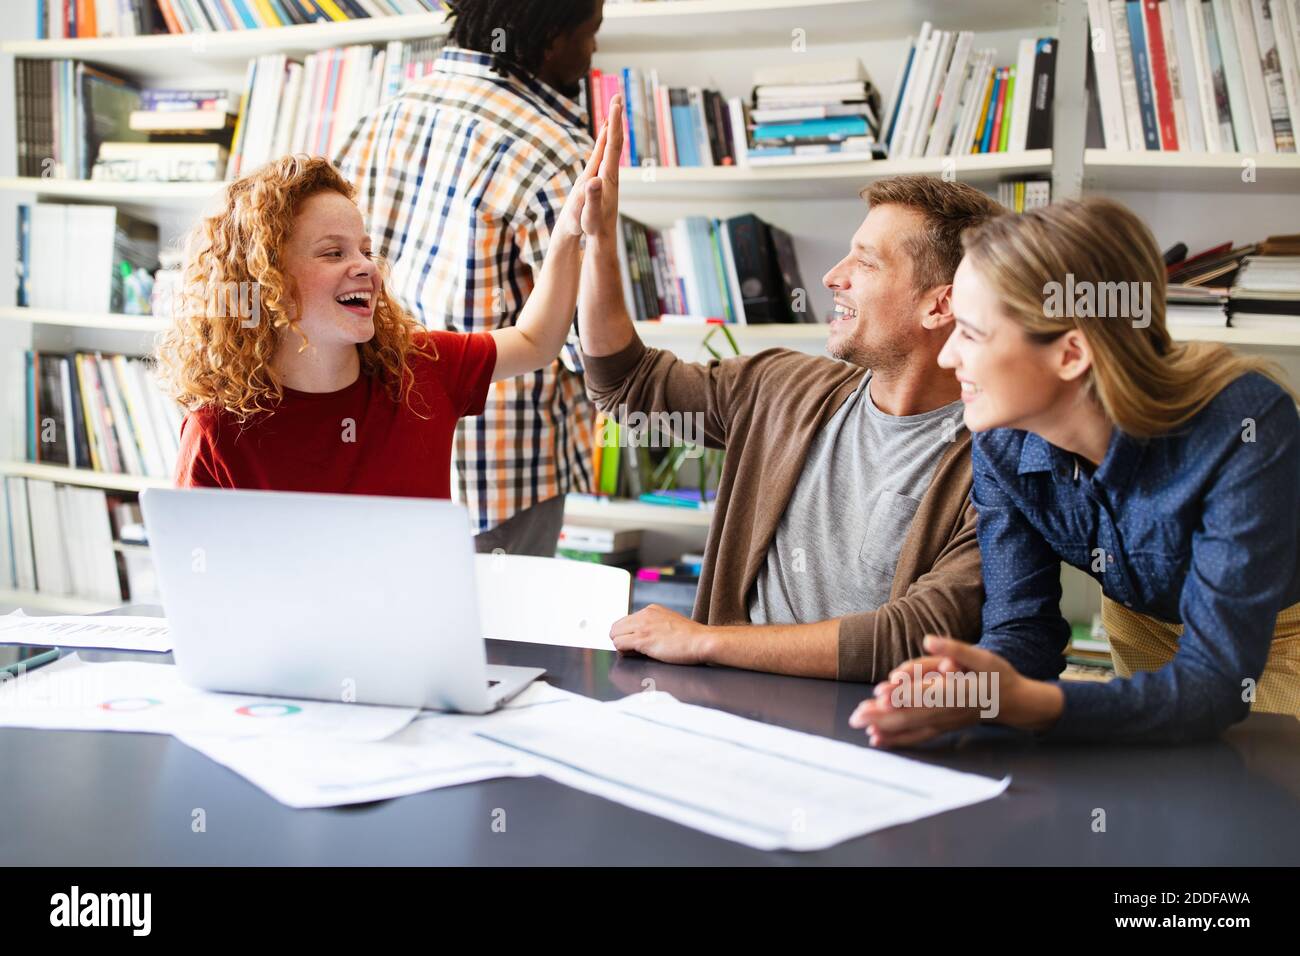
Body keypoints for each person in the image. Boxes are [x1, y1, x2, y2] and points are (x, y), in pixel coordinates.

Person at [573, 106, 1004, 682]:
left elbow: (913, 636)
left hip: (871, 731)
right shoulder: (783, 388)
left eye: (866, 263)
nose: (832, 276)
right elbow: (625, 384)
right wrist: (599, 242)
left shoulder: (1000, 463)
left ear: (940, 305)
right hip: (725, 709)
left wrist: (705, 642)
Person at [852, 197, 1300, 747]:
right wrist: (977, 685)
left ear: (1070, 355)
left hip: (1277, 639)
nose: (947, 358)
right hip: (1142, 629)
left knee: (1256, 801)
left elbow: (1215, 683)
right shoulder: (1001, 440)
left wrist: (1029, 704)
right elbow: (1023, 630)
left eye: (970, 332)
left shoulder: (1245, 424)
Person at [160, 106, 618, 496]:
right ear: (265, 280)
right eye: (333, 253)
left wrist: (568, 234)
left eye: (366, 250)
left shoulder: (423, 368)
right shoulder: (216, 431)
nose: (365, 267)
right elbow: (201, 583)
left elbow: (536, 340)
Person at [333, 0, 607, 556]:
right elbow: (591, 342)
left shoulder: (377, 120)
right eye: (590, 33)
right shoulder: (559, 152)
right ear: (550, 34)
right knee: (501, 644)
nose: (594, 51)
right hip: (499, 473)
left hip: (377, 454)